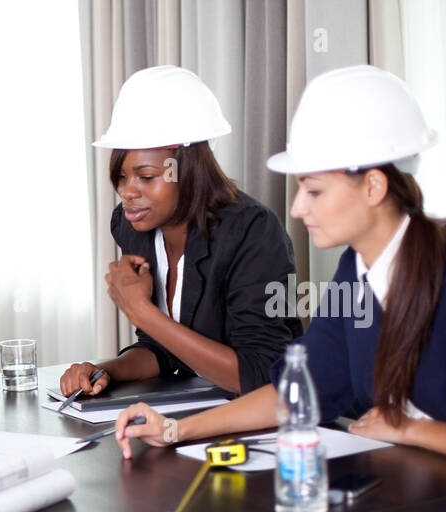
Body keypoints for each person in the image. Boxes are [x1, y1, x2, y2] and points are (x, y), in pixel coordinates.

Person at [114, 66, 446, 472]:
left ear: (374, 187)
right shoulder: (356, 269)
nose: (297, 208)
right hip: (409, 500)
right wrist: (175, 430)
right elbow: (294, 392)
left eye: (315, 190)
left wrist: (409, 429)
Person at [60, 66, 298, 400]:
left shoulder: (254, 232)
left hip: (258, 422)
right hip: (191, 411)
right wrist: (106, 370)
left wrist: (142, 311)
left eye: (146, 176)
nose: (128, 191)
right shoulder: (133, 226)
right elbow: (162, 348)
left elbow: (264, 375)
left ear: (186, 169)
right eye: (122, 176)